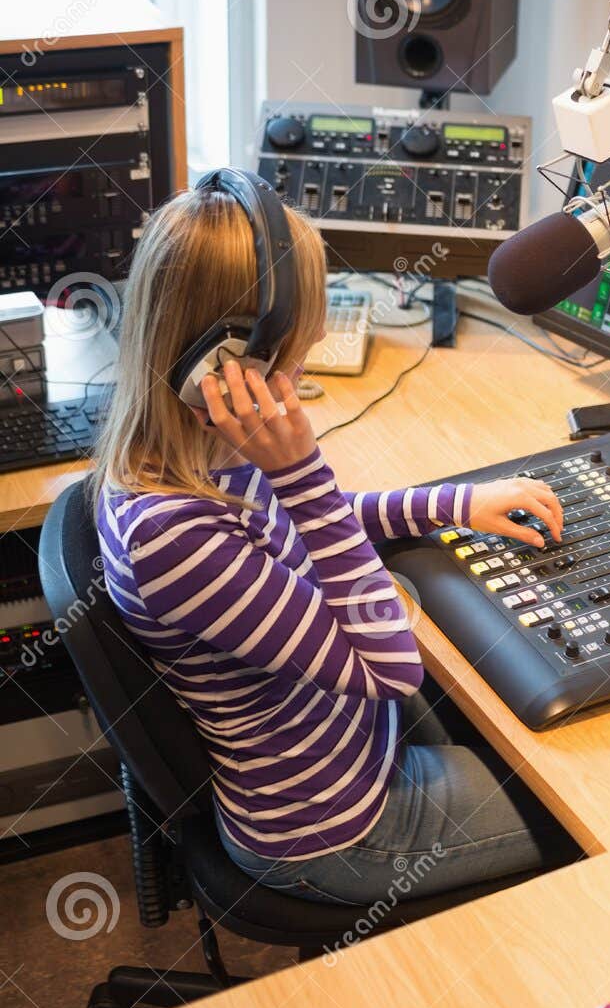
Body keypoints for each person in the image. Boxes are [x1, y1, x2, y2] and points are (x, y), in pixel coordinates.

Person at [94, 182, 576, 908]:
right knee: (579, 809)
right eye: (304, 323)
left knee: (528, 723)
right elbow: (391, 669)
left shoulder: (189, 453)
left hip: (353, 739)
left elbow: (306, 529)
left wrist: (453, 503)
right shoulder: (172, 535)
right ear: (228, 359)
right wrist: (298, 471)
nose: (318, 337)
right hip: (336, 829)